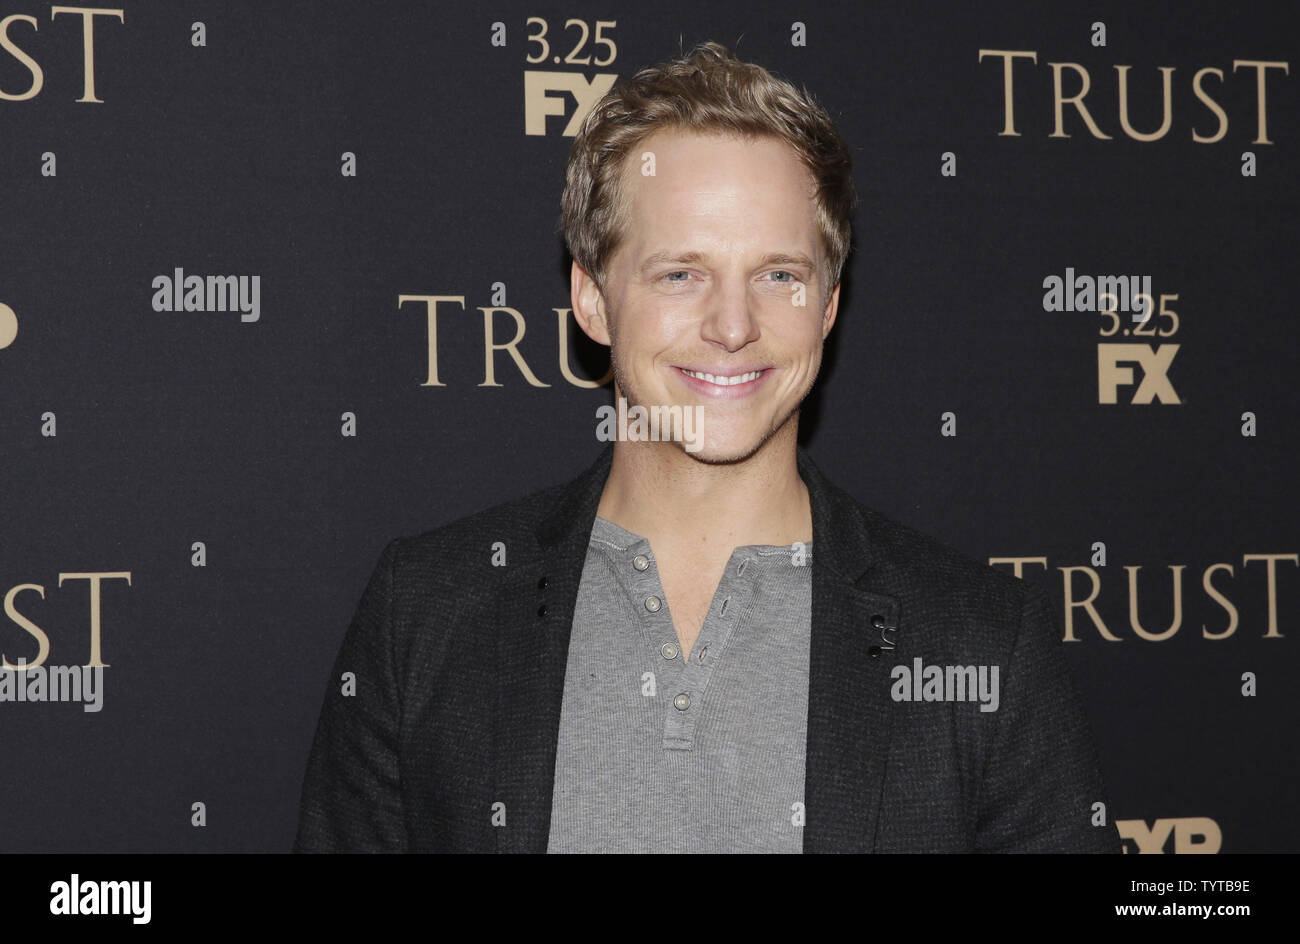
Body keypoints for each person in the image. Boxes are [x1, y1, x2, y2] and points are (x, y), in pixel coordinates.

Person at [294, 41, 1119, 853]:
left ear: (828, 306)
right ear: (592, 299)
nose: (733, 326)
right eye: (680, 274)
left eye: (780, 275)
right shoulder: (428, 613)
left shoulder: (977, 638)